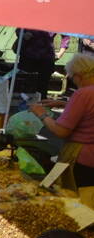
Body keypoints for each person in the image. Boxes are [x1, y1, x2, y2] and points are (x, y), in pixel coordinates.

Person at [30, 53, 94, 188]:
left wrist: (41, 114)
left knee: (75, 199)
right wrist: (65, 104)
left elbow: (61, 131)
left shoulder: (83, 94)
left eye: (72, 78)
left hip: (81, 159)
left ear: (79, 75)